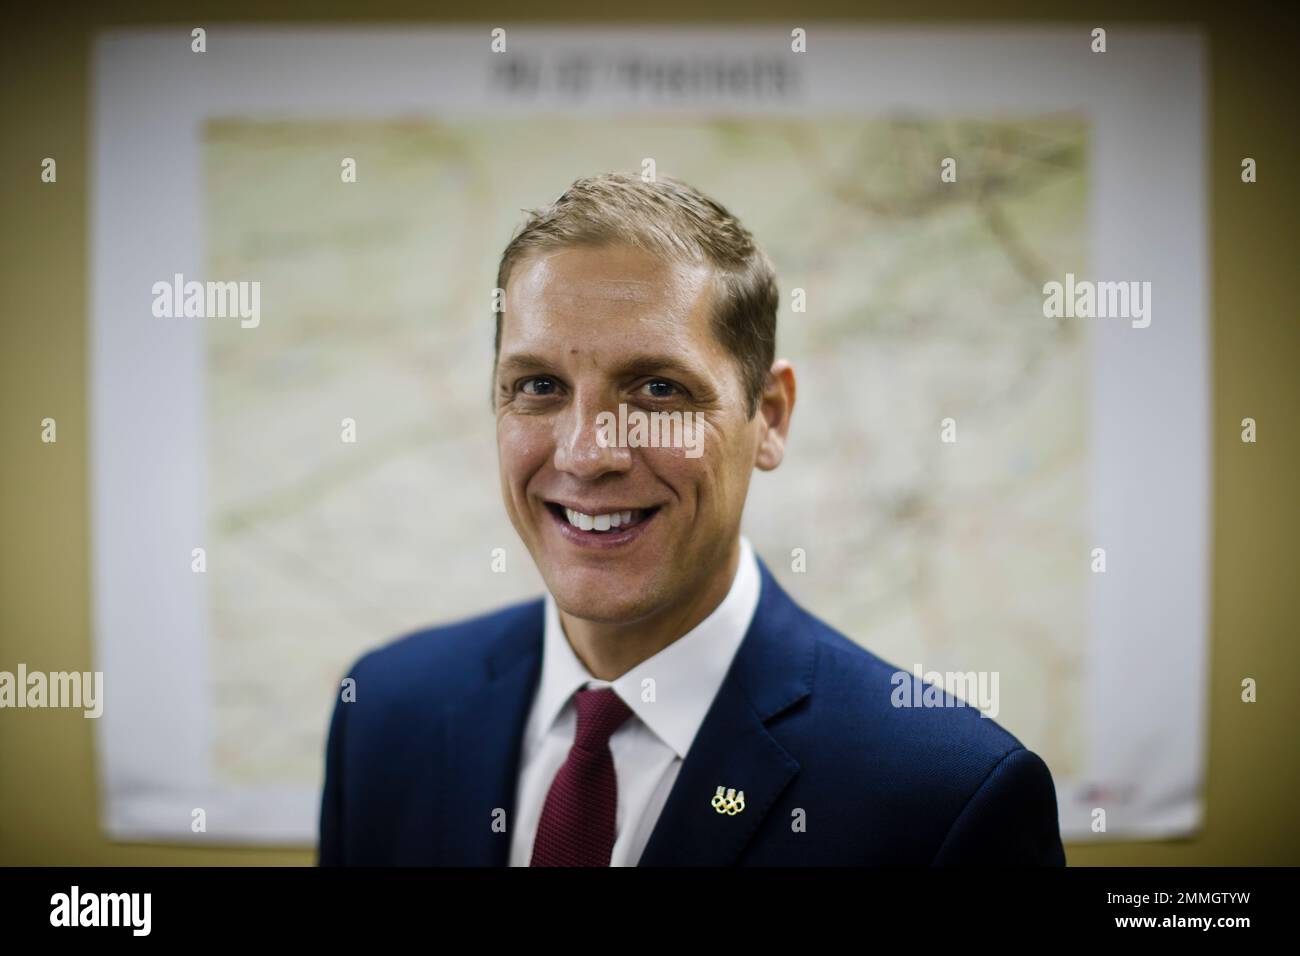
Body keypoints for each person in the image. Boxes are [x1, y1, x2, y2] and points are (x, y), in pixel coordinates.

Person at [318, 172, 1066, 866]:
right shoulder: (384, 714)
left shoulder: (947, 799)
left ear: (768, 418)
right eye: (539, 385)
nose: (587, 453)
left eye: (658, 390)